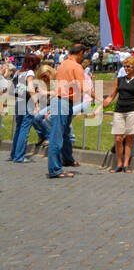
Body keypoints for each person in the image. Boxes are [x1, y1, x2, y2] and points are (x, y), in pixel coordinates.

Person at [48, 44, 86, 179]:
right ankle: (55, 169)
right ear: (81, 53)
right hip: (63, 101)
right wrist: (100, 99)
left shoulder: (63, 63)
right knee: (57, 136)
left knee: (64, 134)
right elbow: (84, 87)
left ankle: (67, 159)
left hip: (61, 100)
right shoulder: (76, 66)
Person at [102, 55, 134, 173]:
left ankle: (126, 164)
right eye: (124, 66)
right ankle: (118, 164)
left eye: (128, 66)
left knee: (130, 137)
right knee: (118, 138)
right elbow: (112, 95)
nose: (126, 68)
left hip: (132, 109)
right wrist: (106, 102)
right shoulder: (119, 80)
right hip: (119, 109)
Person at [8, 55, 48, 162]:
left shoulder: (18, 72)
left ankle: (14, 153)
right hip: (27, 103)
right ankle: (19, 156)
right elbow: (30, 88)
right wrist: (36, 103)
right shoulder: (29, 73)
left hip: (19, 102)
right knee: (24, 130)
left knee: (19, 128)